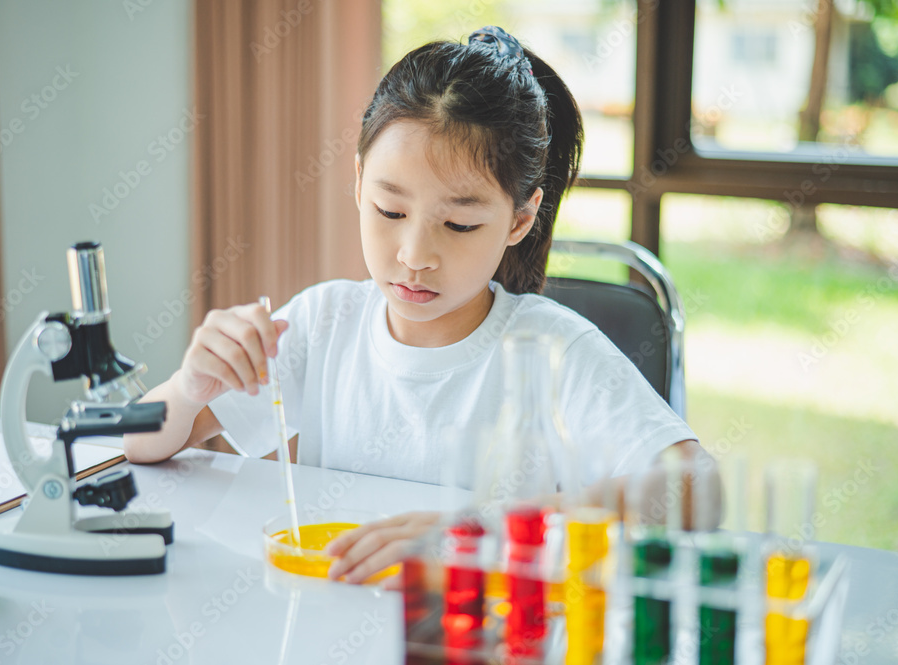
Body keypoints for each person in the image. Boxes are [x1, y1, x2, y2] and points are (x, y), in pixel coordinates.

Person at [124, 26, 707, 585]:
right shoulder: (321, 323)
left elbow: (697, 491)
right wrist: (189, 386)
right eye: (390, 211)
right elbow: (137, 444)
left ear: (520, 220)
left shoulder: (553, 350)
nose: (414, 255)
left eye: (459, 223)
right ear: (358, 182)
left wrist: (481, 530)